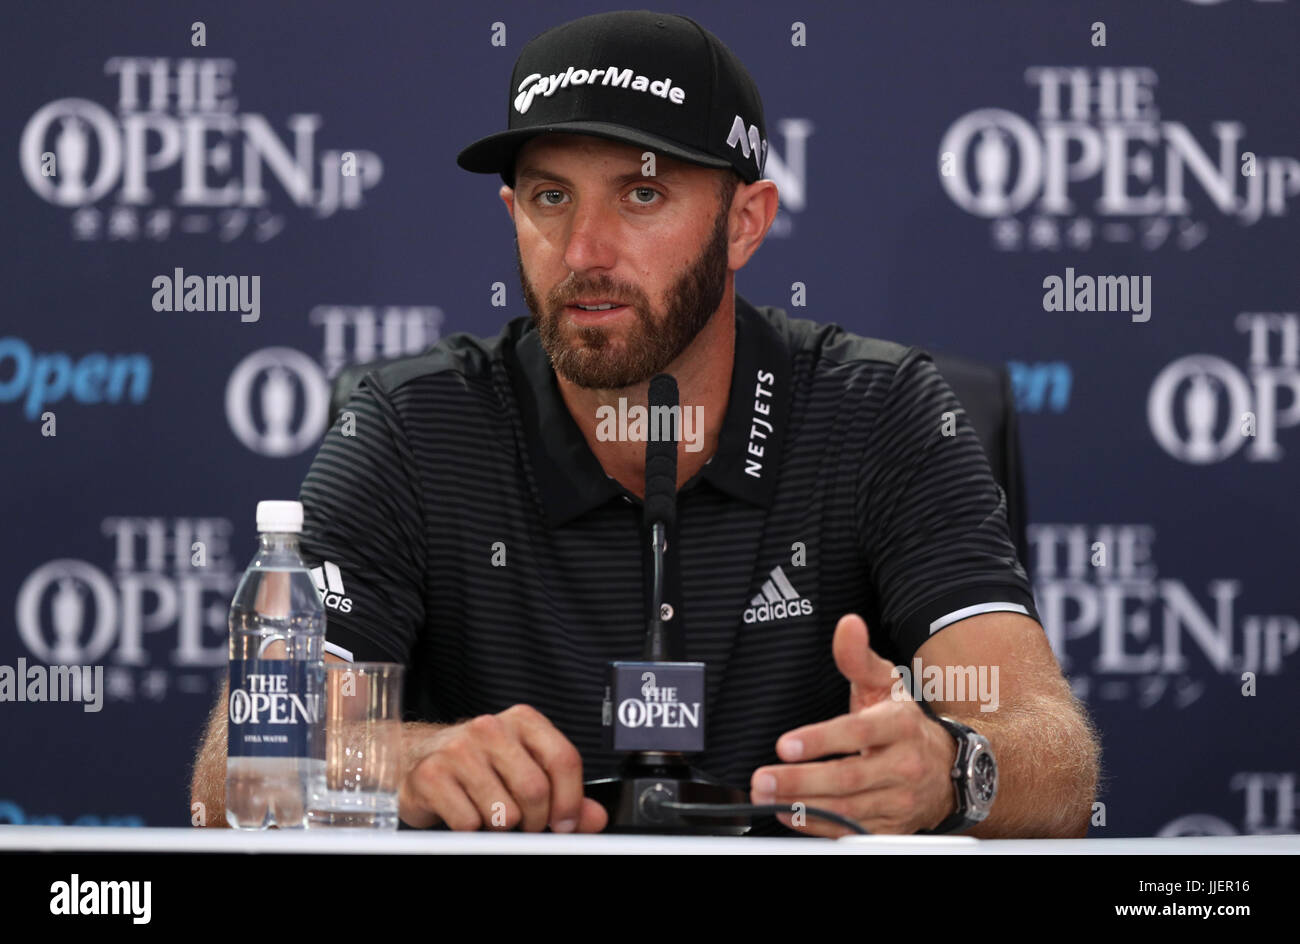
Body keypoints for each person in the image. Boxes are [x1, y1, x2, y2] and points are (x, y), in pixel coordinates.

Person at [191, 10, 1099, 838]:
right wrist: (408, 762)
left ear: (744, 224)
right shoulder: (413, 425)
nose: (583, 251)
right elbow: (231, 776)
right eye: (551, 198)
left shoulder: (881, 410)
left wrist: (953, 770)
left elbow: (1055, 756)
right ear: (513, 213)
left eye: (641, 195)